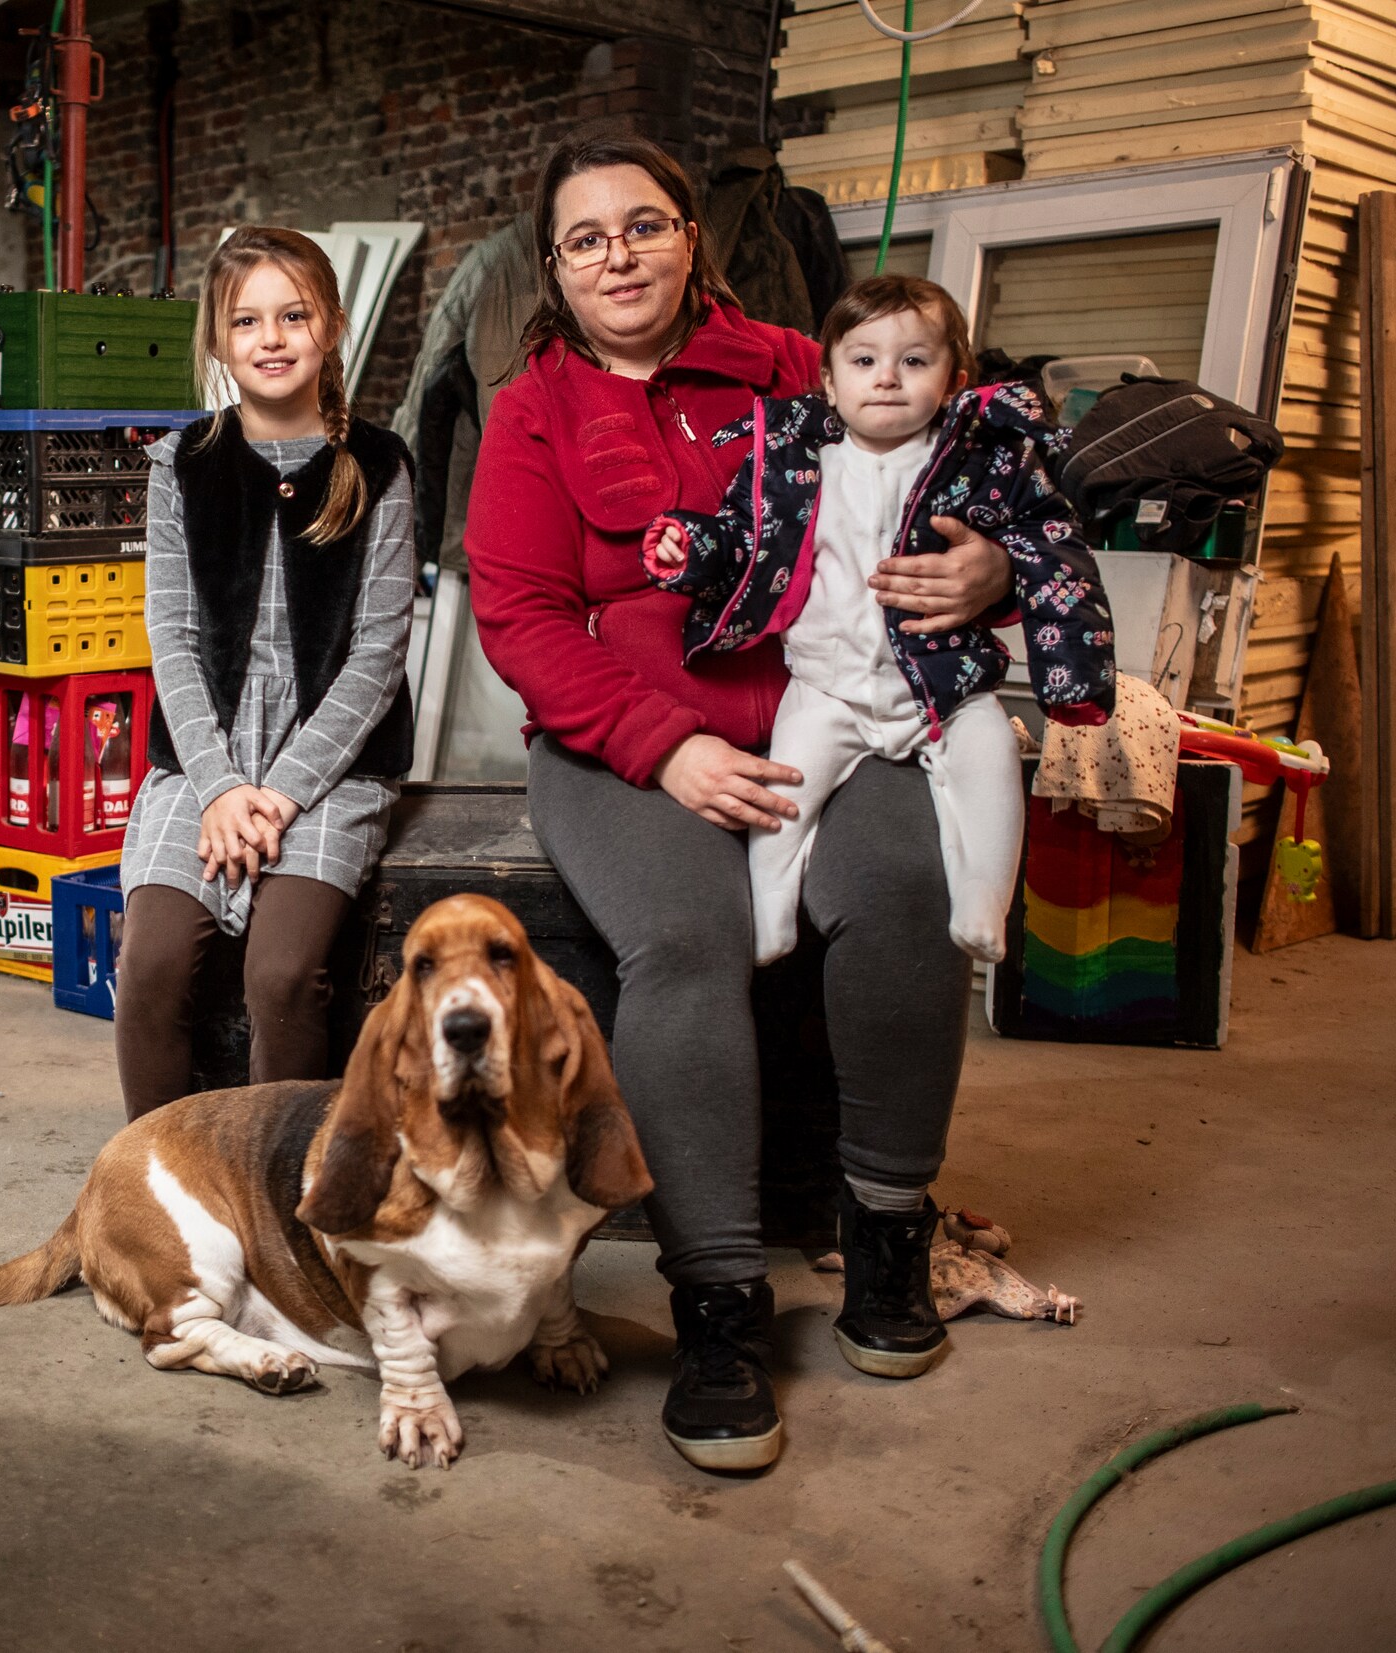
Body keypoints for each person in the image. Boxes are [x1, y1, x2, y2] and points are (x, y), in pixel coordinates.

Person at [465, 135, 1020, 1473]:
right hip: (622, 743)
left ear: (688, 238)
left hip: (826, 709)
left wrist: (989, 564)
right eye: (586, 237)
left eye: (643, 225)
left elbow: (970, 447)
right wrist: (663, 750)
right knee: (686, 941)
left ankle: (889, 1230)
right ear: (554, 265)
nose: (620, 255)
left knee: (901, 892)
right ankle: (717, 1304)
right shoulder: (534, 409)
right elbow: (522, 617)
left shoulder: (792, 362)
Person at [641, 275, 1117, 967]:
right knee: (782, 794)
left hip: (945, 686)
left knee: (991, 768)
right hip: (825, 689)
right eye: (864, 361)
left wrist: (1062, 655)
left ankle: (985, 902)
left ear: (952, 382)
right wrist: (691, 547)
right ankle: (770, 916)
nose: (887, 379)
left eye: (913, 362)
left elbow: (1053, 538)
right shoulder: (793, 461)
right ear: (829, 383)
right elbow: (742, 538)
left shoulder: (981, 463)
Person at [112, 227, 416, 1121]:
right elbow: (168, 636)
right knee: (152, 965)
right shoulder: (182, 464)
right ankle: (160, 1181)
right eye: (246, 320)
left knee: (283, 975)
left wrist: (278, 795)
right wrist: (217, 787)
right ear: (217, 340)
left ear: (332, 327)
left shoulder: (379, 464)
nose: (271, 337)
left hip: (328, 769)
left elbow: (377, 654)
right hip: (200, 762)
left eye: (294, 315)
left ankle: (283, 1199)